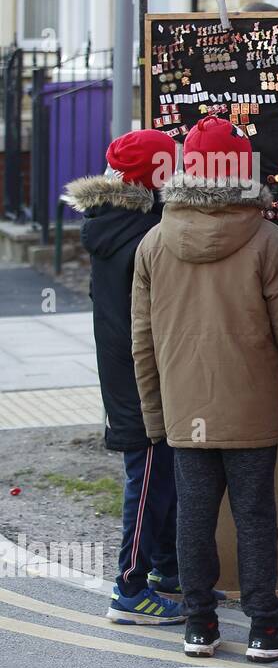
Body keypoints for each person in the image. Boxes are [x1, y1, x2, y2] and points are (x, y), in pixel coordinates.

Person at [132, 116, 278, 661]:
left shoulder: (153, 243)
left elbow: (142, 344)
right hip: (254, 405)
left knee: (194, 516)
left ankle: (199, 626)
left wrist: (154, 418)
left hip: (185, 406)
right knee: (256, 516)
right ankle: (264, 628)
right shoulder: (268, 238)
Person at [64, 130, 186, 624]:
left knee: (164, 472)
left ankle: (165, 571)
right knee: (151, 474)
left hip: (125, 369)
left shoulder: (112, 222)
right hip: (142, 374)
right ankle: (129, 588)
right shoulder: (148, 233)